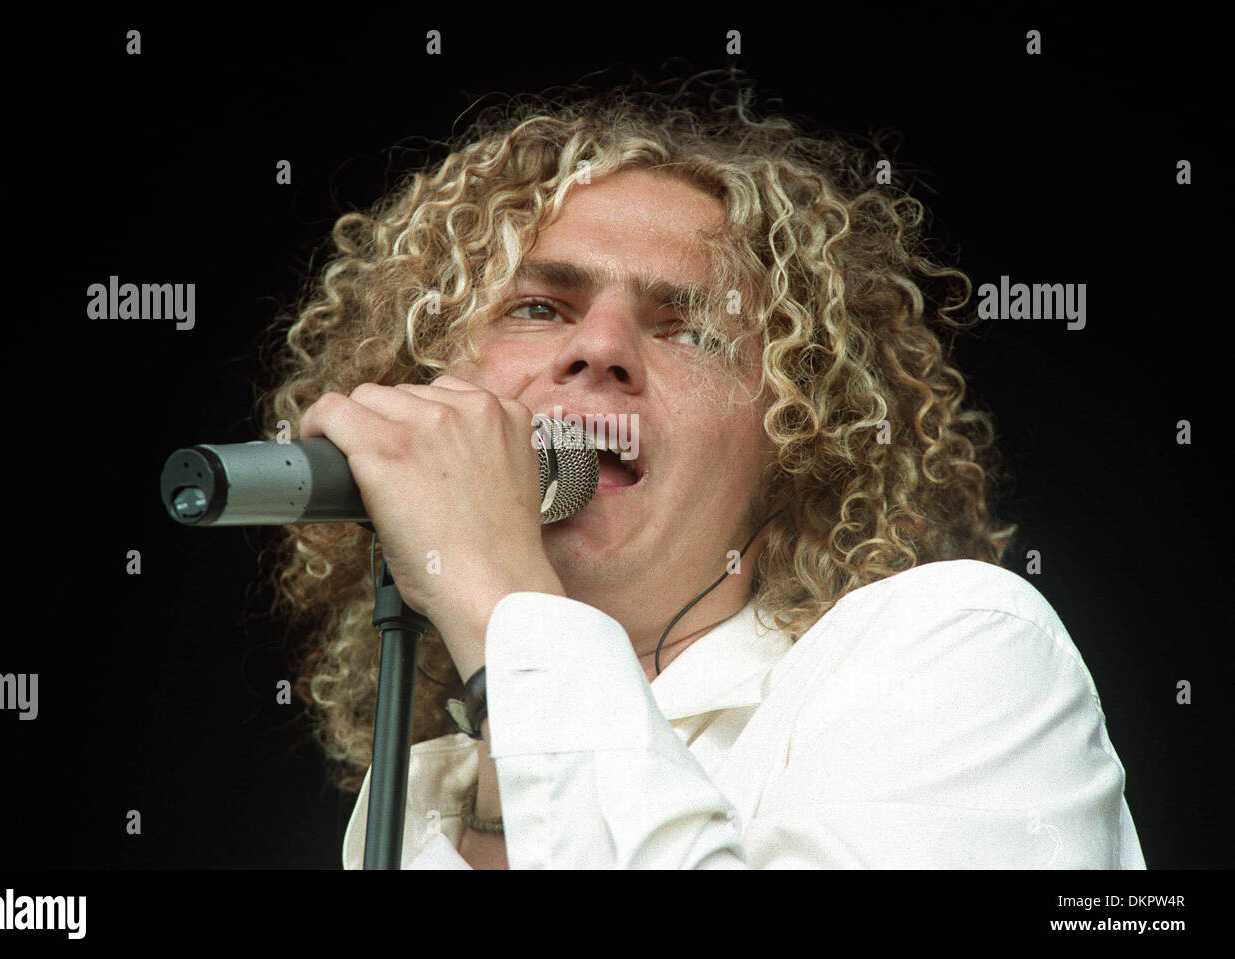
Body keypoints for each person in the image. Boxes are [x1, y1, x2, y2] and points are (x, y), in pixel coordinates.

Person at [258, 72, 1145, 869]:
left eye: (690, 329)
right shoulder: (410, 809)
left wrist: (500, 602)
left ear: (799, 440)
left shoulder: (961, 651)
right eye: (539, 306)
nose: (599, 346)